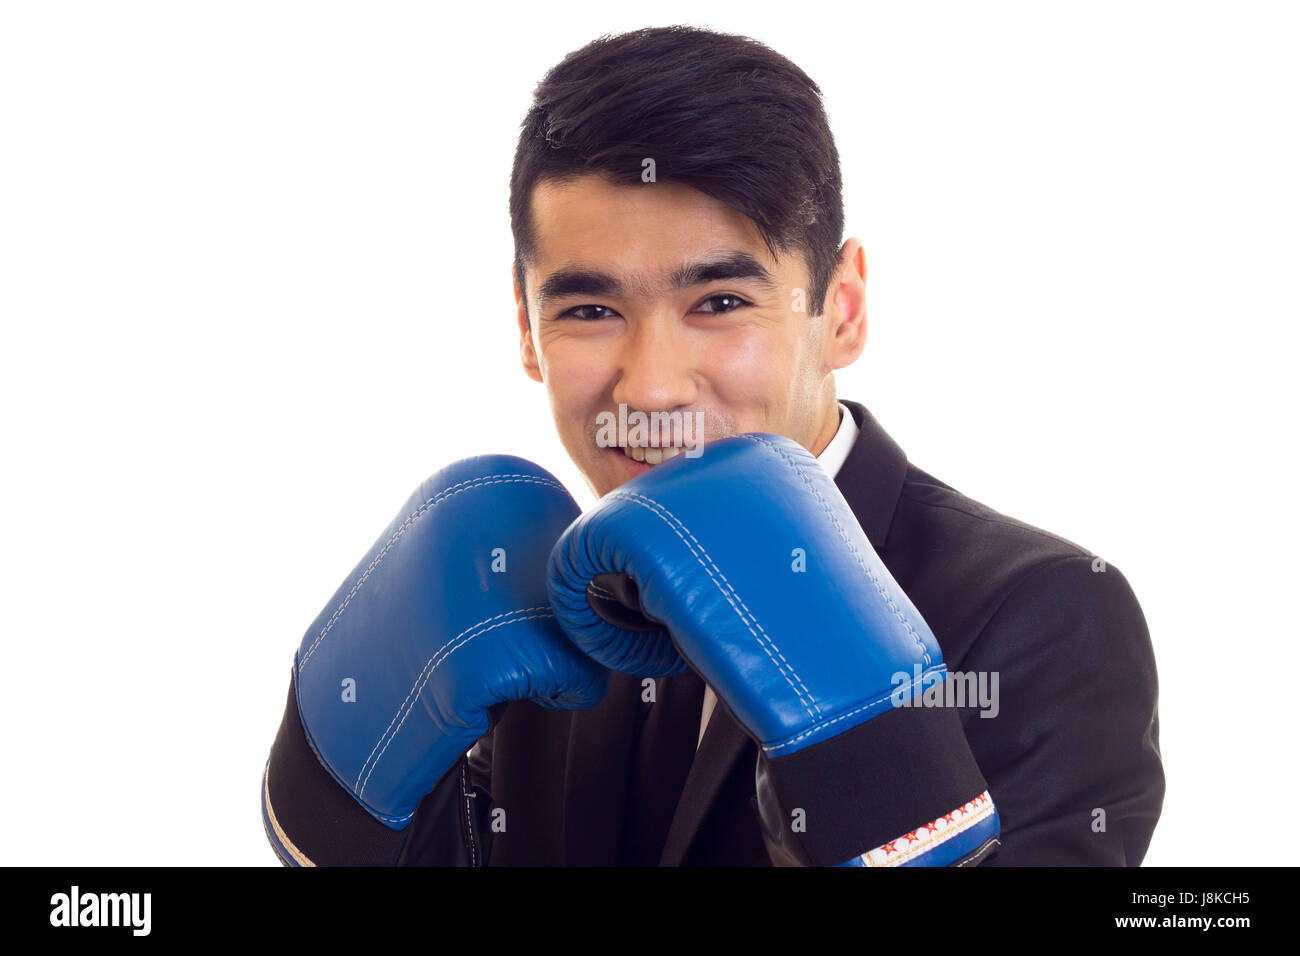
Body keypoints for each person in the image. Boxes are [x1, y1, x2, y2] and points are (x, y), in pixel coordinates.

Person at [261, 25, 1164, 867]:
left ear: (840, 308)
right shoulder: (530, 612)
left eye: (720, 303)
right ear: (527, 329)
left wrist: (881, 779)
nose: (651, 385)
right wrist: (329, 794)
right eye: (589, 310)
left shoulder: (1043, 617)